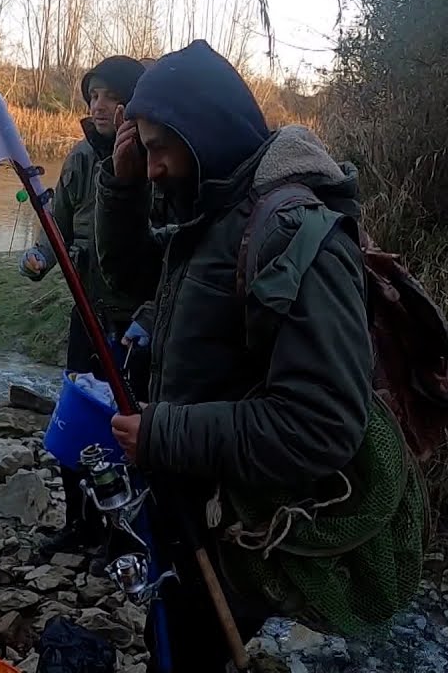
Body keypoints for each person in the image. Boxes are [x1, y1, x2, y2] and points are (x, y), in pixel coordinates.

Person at [95, 40, 373, 672]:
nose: (153, 167)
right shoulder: (211, 207)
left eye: (159, 148)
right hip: (188, 506)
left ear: (204, 135)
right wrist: (122, 186)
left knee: (199, 650)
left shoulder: (291, 234)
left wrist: (163, 434)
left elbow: (321, 425)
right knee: (172, 640)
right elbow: (132, 279)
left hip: (239, 530)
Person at [18, 55, 160, 559]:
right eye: (93, 96)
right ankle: (80, 523)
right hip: (88, 313)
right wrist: (41, 255)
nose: (98, 106)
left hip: (138, 325)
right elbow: (56, 221)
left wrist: (152, 314)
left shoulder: (156, 159)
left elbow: (173, 250)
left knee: (129, 428)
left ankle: (127, 534)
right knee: (77, 419)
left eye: (111, 97)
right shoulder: (79, 158)